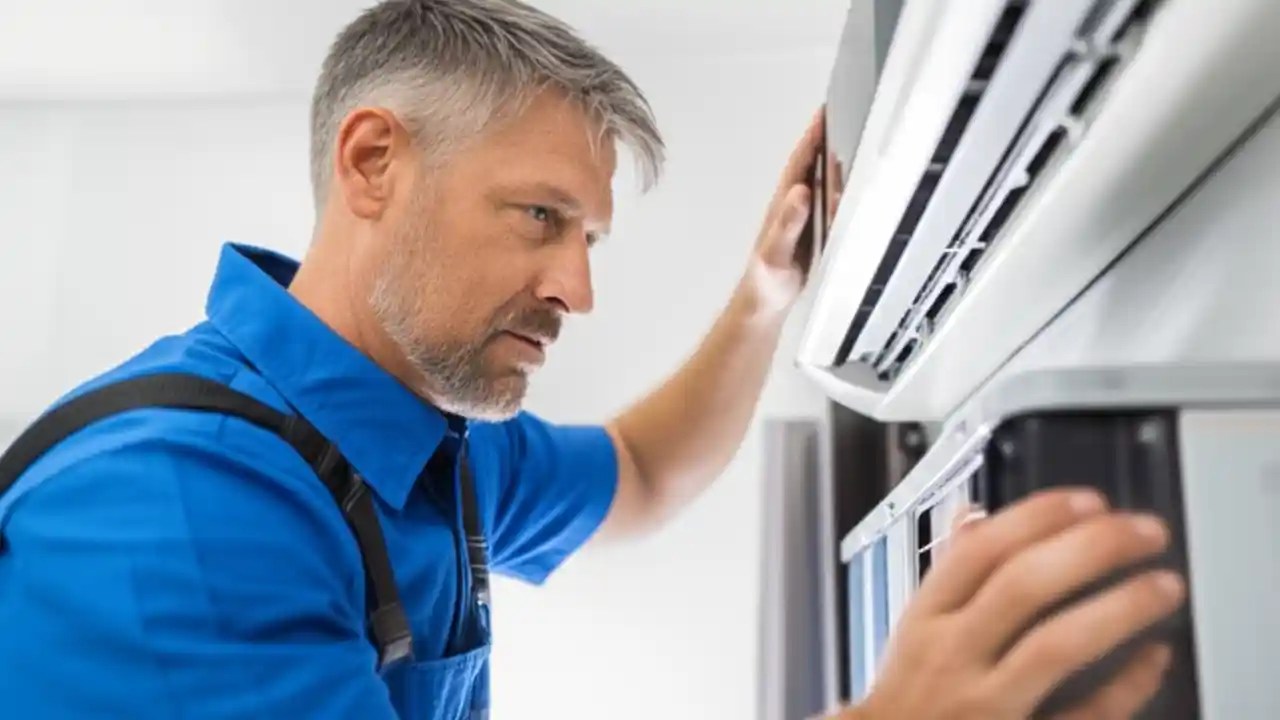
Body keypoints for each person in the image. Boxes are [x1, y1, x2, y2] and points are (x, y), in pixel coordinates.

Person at [0, 1, 1185, 718]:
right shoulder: (183, 506)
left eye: (588, 237)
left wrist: (767, 295)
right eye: (537, 217)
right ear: (372, 163)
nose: (577, 287)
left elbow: (646, 472)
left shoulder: (421, 448)